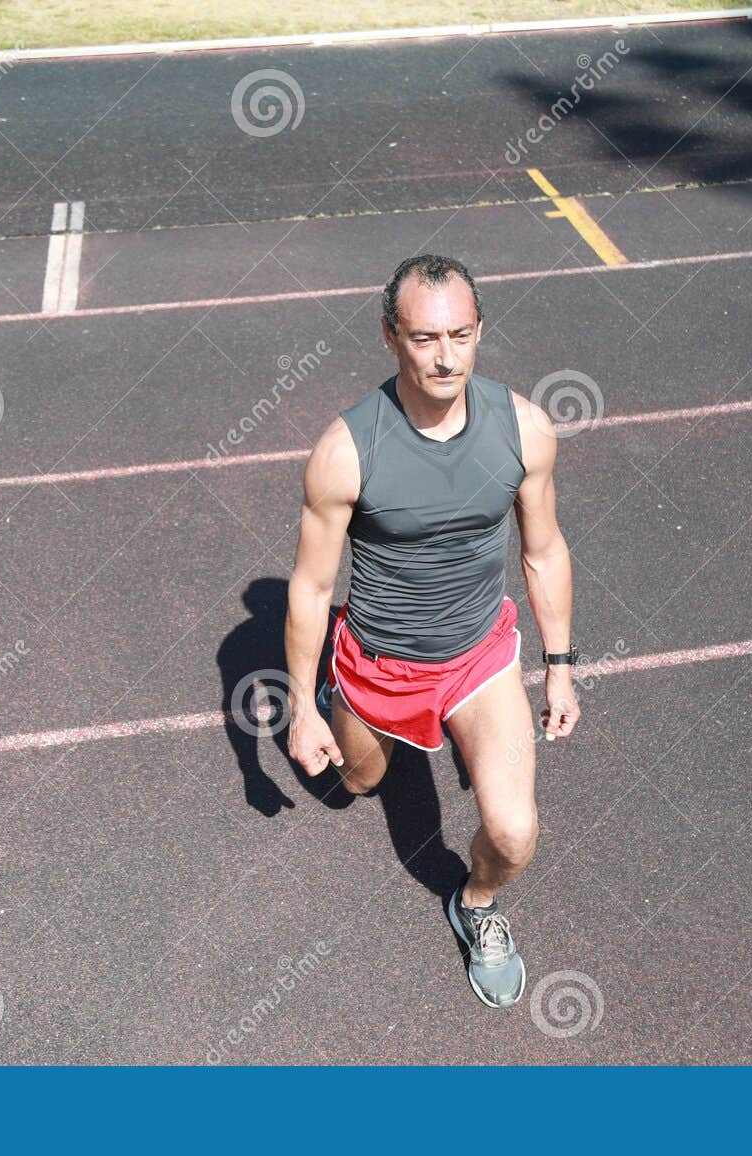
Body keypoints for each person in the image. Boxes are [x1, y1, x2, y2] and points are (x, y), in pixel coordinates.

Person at [284, 253, 580, 1008]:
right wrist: (301, 707)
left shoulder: (523, 427)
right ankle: (340, 696)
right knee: (357, 782)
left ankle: (474, 907)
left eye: (460, 335)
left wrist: (560, 665)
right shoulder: (346, 449)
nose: (445, 356)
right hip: (381, 664)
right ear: (391, 337)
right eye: (424, 339)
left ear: (479, 331)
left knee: (513, 833)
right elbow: (314, 585)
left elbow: (542, 551)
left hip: (478, 659)